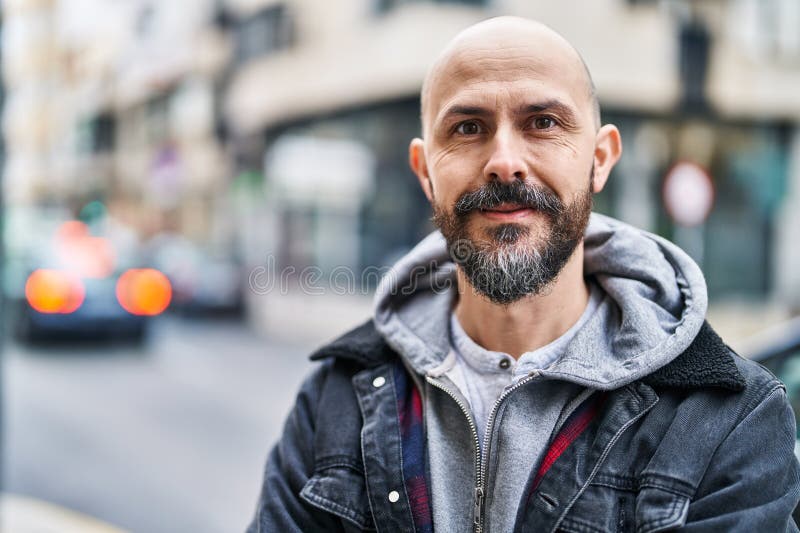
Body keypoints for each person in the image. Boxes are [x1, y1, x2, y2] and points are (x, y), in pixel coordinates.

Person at [247, 16, 800, 532]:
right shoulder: (334, 403)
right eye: (467, 127)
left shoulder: (728, 418)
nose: (504, 160)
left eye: (543, 122)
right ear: (424, 172)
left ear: (600, 158)